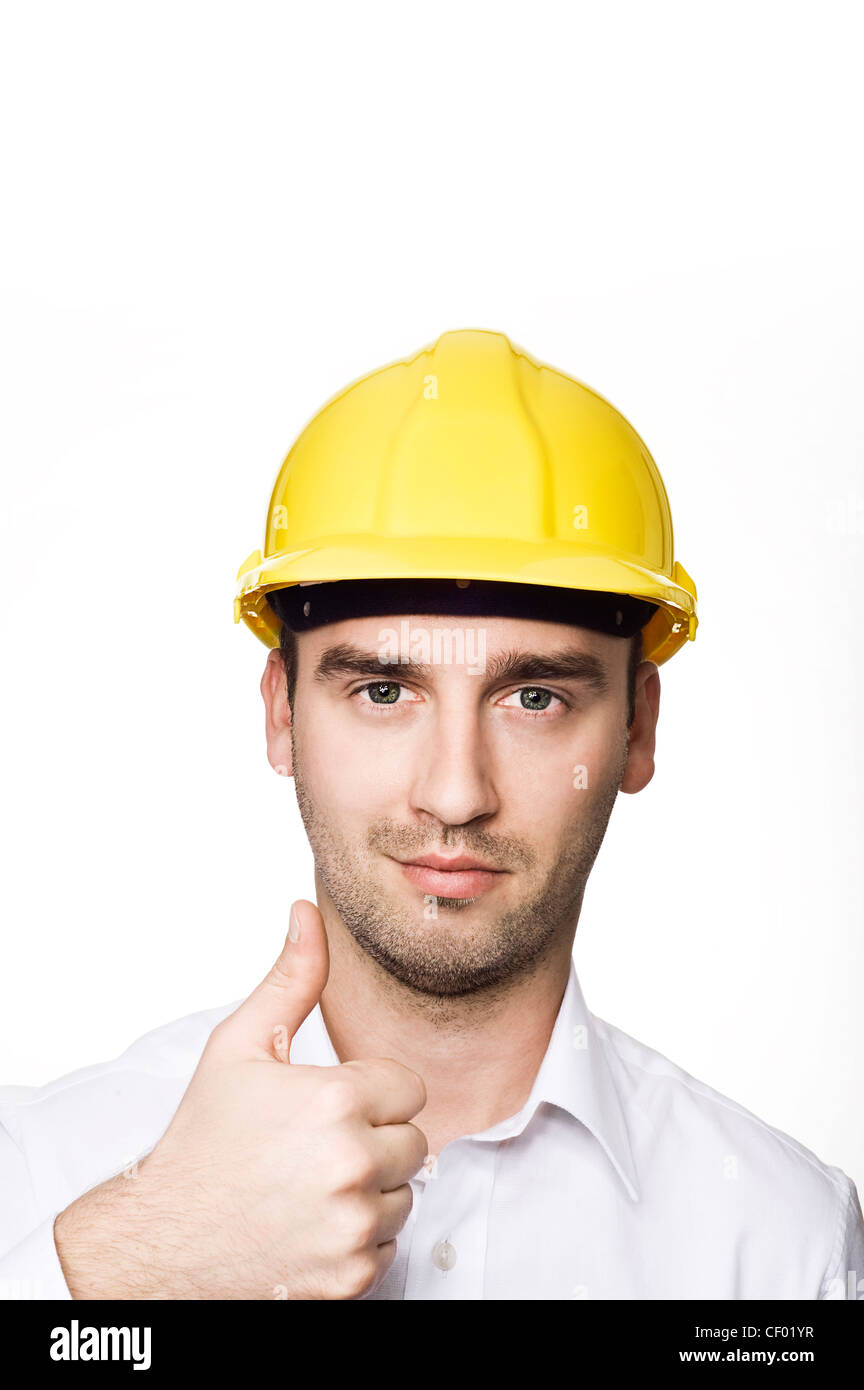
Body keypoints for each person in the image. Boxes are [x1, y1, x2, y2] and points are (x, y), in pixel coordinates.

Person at [1, 330, 861, 1301]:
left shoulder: (784, 1245)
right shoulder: (40, 1180)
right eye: (381, 689)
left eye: (534, 697)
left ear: (636, 728)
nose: (455, 793)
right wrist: (133, 1264)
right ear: (282, 712)